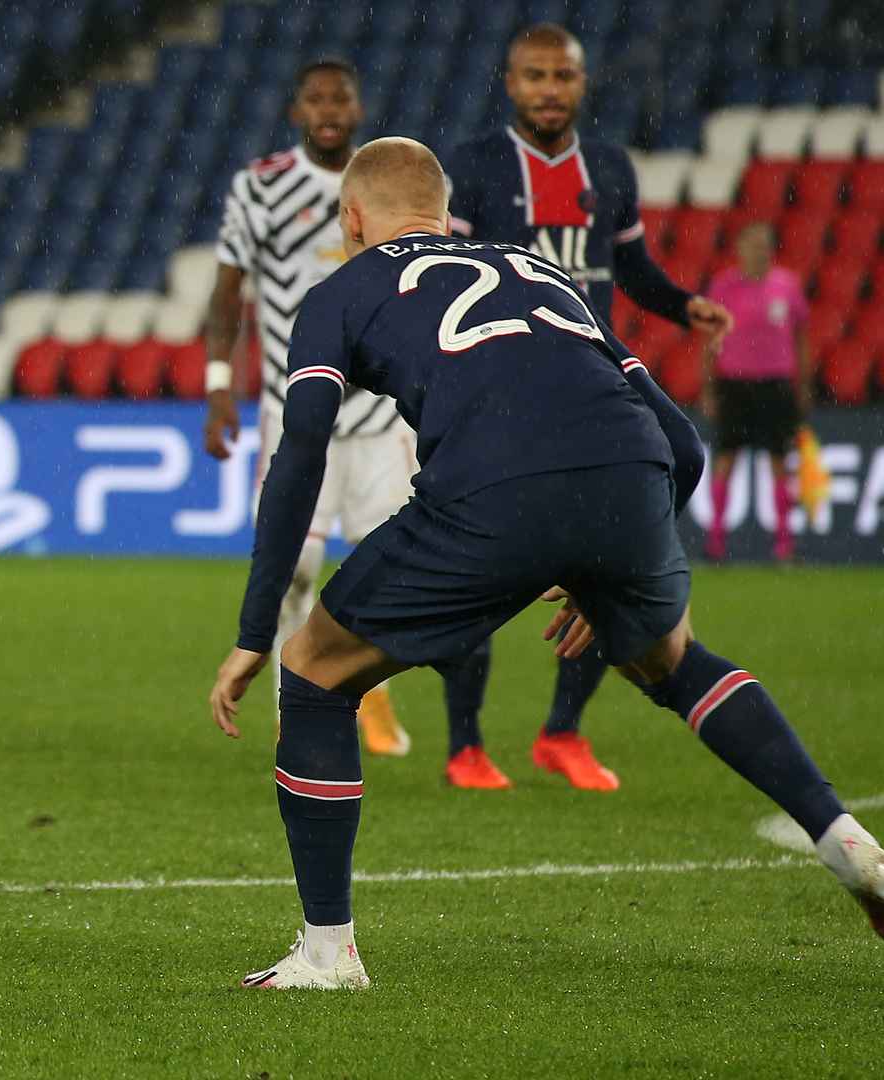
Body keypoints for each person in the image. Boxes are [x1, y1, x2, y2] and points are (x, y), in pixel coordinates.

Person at [207, 137, 881, 990]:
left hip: (490, 486)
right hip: (628, 468)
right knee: (670, 659)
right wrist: (609, 562)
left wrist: (254, 630)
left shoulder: (339, 289)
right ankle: (842, 837)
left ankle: (326, 952)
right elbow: (680, 441)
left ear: (350, 218)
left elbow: (300, 451)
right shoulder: (537, 269)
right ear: (443, 213)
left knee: (312, 668)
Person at [439, 23, 735, 791]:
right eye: (534, 75)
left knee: (623, 545)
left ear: (580, 83)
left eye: (561, 76)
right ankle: (464, 744)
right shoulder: (472, 166)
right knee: (475, 569)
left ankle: (561, 732)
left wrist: (683, 305)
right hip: (500, 390)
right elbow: (445, 274)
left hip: (595, 382)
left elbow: (629, 267)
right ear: (510, 83)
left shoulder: (607, 167)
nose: (548, 89)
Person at [203, 58, 427, 759]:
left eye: (340, 98)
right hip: (296, 412)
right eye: (316, 98)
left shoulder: (390, 183)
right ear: (297, 110)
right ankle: (292, 710)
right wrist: (217, 384)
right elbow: (227, 291)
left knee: (394, 566)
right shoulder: (261, 186)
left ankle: (366, 689)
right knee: (293, 571)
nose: (329, 109)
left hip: (381, 417)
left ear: (358, 108)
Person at [701, 221, 814, 562]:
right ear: (739, 249)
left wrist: (803, 384)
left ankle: (784, 544)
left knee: (780, 461)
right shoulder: (723, 286)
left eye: (764, 245)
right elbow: (710, 340)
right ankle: (715, 542)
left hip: (775, 385)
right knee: (726, 458)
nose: (758, 252)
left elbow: (801, 337)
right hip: (734, 384)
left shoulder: (787, 286)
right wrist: (708, 388)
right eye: (752, 245)